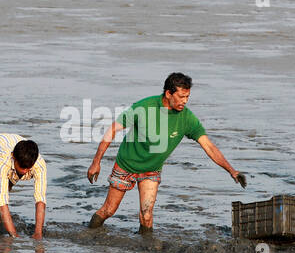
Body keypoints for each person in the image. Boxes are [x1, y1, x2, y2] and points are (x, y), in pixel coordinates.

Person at [86, 72, 246, 233]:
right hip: (126, 165)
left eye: (187, 97)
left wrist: (231, 170)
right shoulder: (144, 107)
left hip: (151, 169)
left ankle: (146, 252)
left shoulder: (187, 118)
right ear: (168, 93)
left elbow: (209, 146)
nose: (185, 101)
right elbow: (112, 130)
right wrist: (96, 162)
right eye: (181, 96)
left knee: (146, 215)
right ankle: (88, 235)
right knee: (109, 210)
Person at [0, 133, 46, 239]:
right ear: (14, 158)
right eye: (22, 167)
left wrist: (38, 233)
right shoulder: (4, 162)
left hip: (4, 148)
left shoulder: (38, 164)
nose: (24, 171)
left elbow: (40, 200)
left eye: (28, 168)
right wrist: (14, 235)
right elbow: (2, 202)